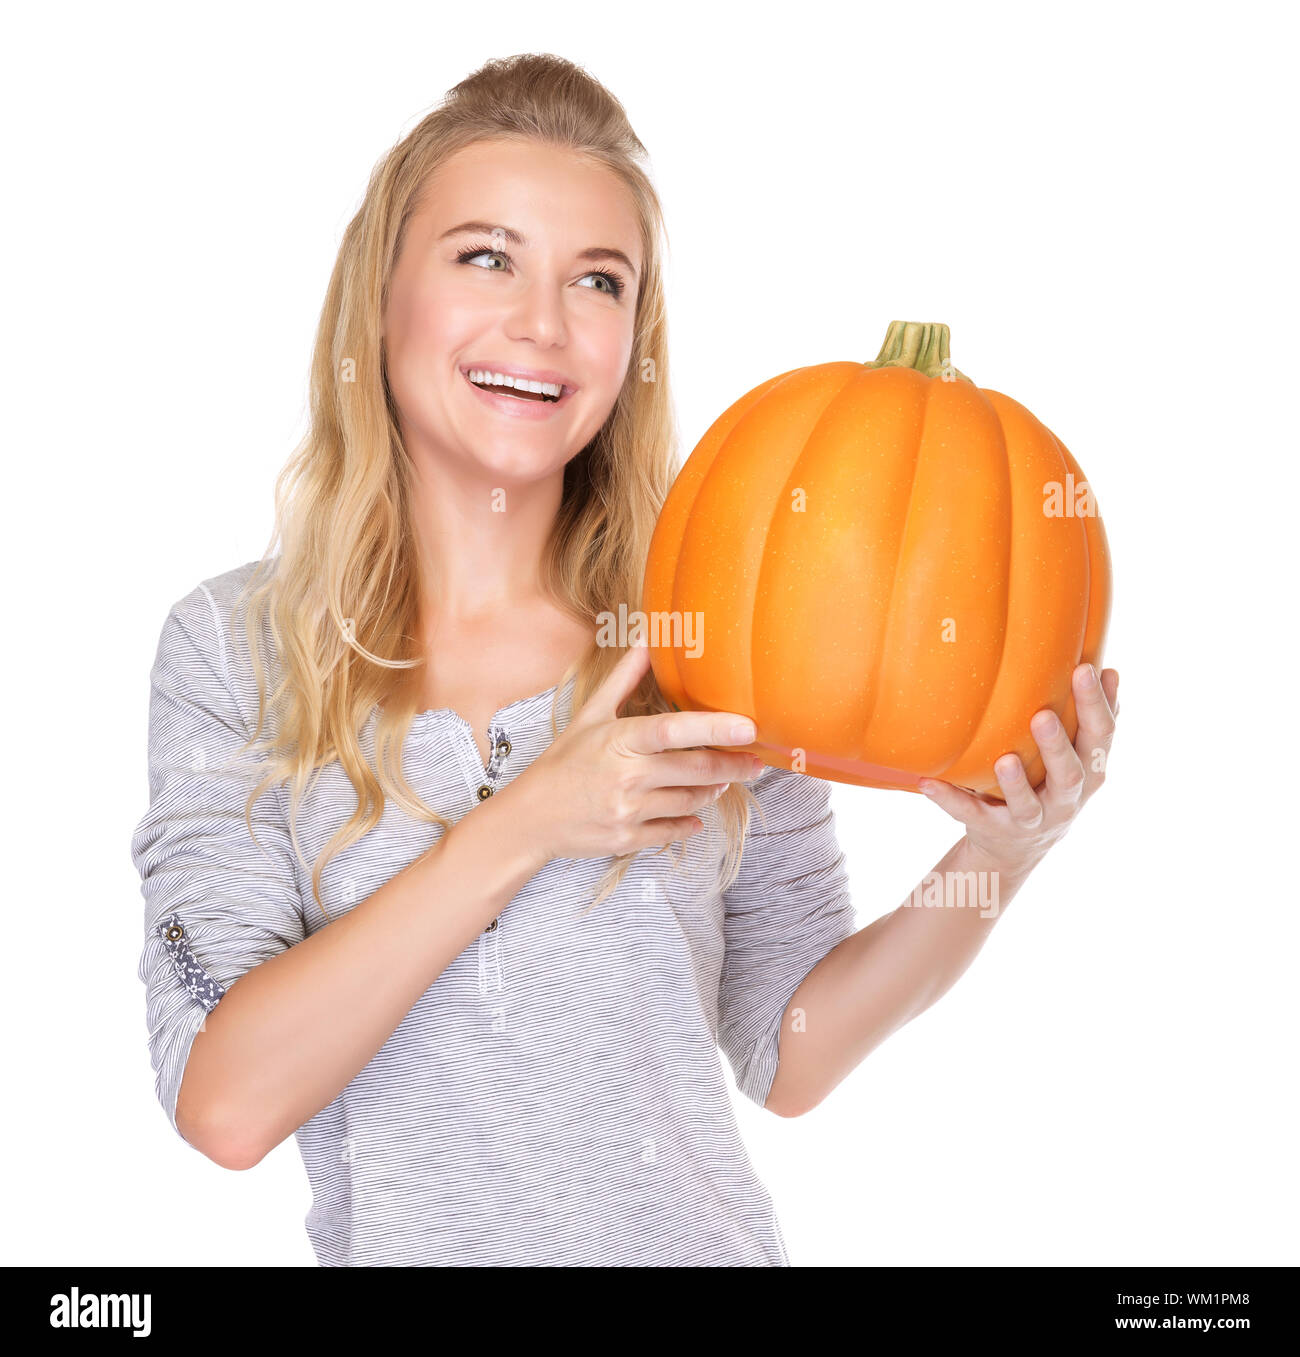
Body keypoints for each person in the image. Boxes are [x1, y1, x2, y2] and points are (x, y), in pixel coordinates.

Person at [131, 53, 1119, 1267]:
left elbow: (788, 1047)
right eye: (485, 255)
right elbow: (225, 1102)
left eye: (597, 281)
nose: (542, 324)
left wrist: (1000, 856)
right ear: (381, 294)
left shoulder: (712, 626)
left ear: (631, 337)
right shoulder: (236, 652)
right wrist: (529, 819)